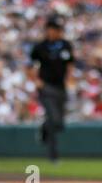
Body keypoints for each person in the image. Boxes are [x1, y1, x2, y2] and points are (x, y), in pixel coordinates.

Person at [30, 17, 75, 163]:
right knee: (53, 119)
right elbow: (28, 65)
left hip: (61, 87)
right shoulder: (40, 47)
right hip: (46, 87)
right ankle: (53, 156)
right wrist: (36, 81)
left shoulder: (66, 45)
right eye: (54, 29)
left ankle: (43, 128)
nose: (56, 32)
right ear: (49, 30)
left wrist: (69, 80)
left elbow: (70, 65)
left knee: (59, 124)